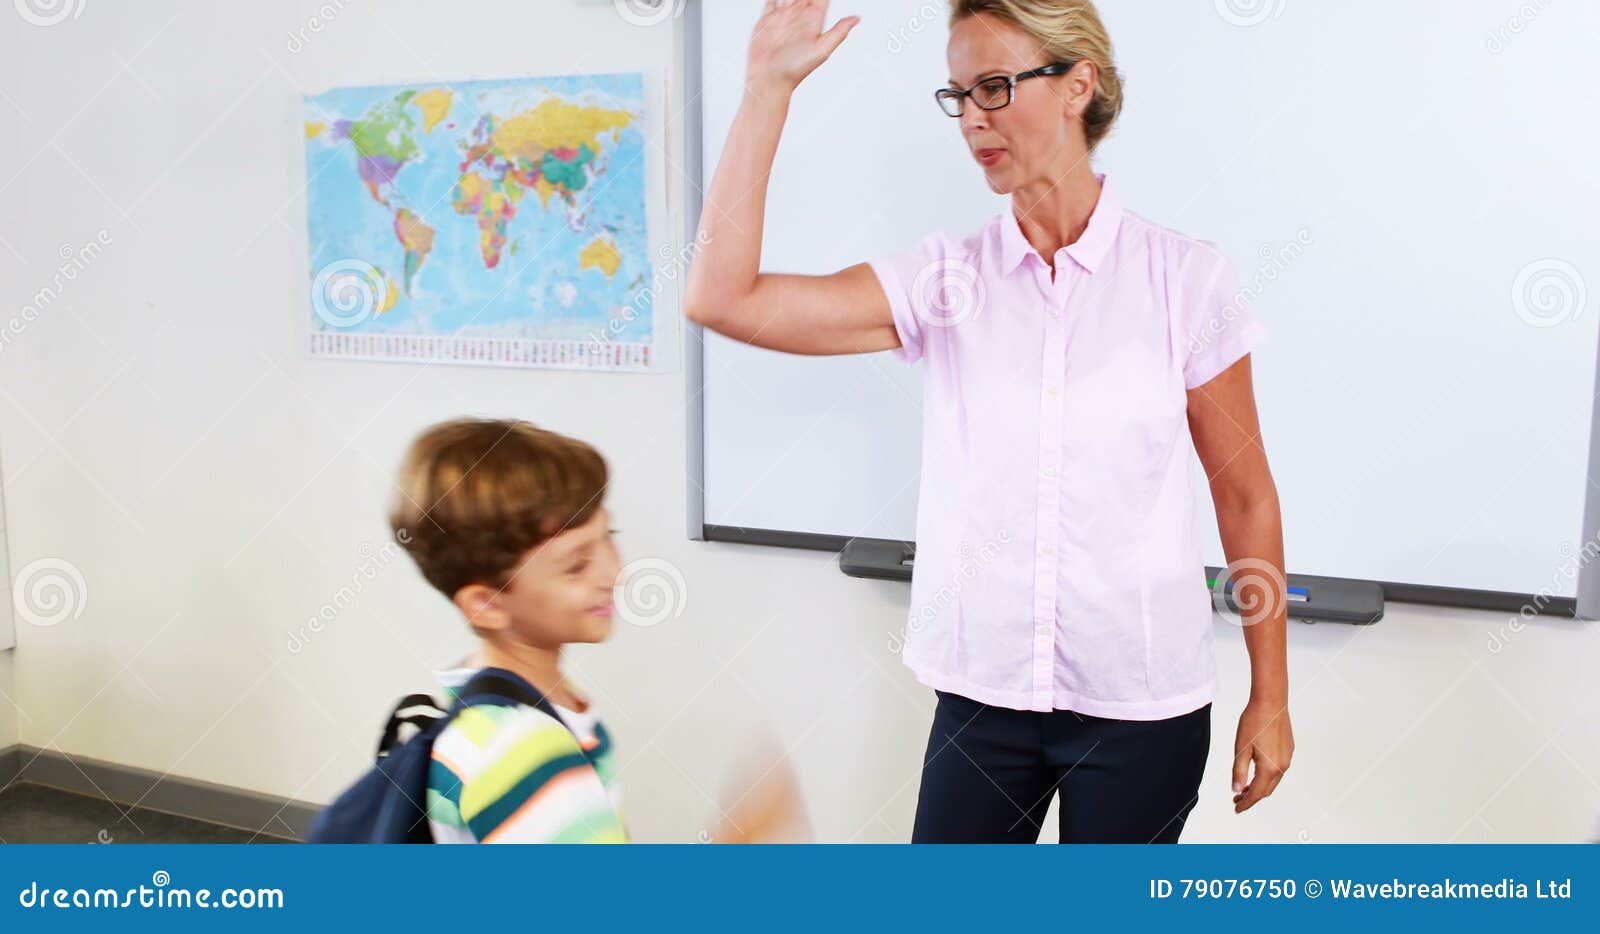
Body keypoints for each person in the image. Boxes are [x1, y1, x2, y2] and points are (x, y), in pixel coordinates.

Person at [684, 0, 1293, 843]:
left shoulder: (1185, 280)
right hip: (984, 700)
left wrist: (1272, 694)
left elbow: (1246, 499)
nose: (972, 119)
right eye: (959, 95)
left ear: (1079, 85)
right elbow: (721, 298)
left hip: (1142, 702)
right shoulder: (945, 280)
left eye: (996, 88)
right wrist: (766, 92)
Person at [390, 417, 804, 843]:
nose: (616, 573)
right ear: (487, 604)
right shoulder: (523, 755)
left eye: (608, 537)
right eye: (576, 565)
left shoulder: (497, 704)